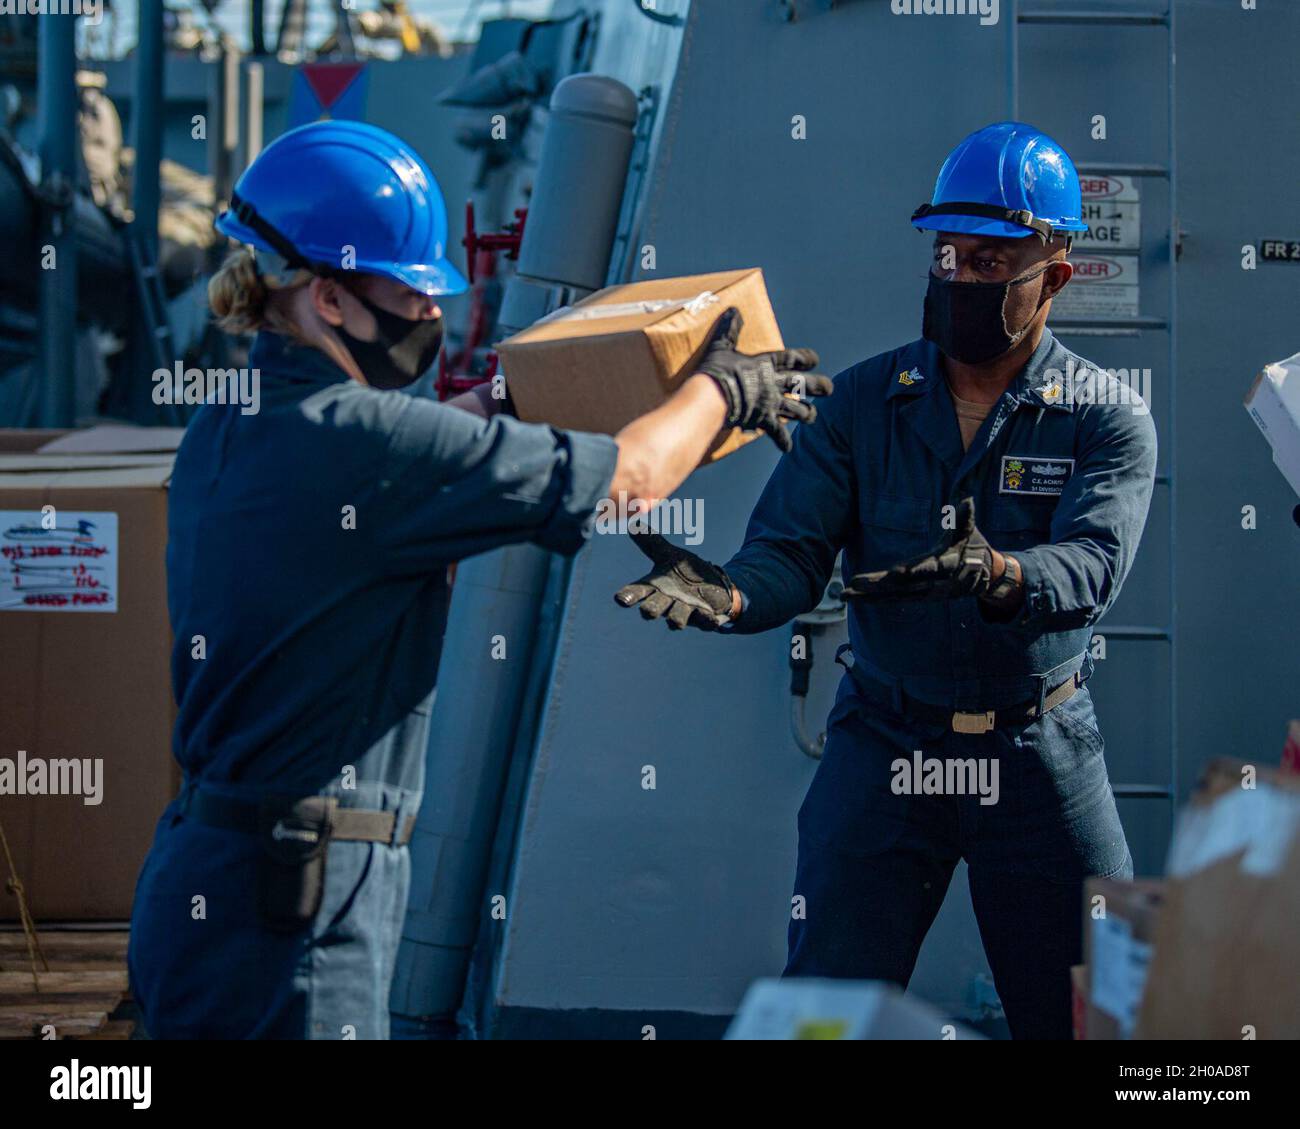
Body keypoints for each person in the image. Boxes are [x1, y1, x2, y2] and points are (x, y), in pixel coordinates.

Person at [127, 119, 828, 1039]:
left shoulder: (235, 420)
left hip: (207, 880)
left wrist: (513, 388)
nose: (433, 315)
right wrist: (723, 391)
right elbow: (628, 480)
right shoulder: (367, 448)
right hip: (296, 915)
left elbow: (420, 461)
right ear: (328, 298)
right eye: (414, 292)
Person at [615, 121, 1158, 1039]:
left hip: (1040, 758)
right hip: (887, 746)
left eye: (990, 265)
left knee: (1101, 1020)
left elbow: (1094, 565)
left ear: (1052, 279)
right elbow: (790, 550)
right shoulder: (863, 403)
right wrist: (735, 593)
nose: (959, 278)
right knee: (824, 1009)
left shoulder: (1106, 417)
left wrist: (996, 573)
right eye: (947, 256)